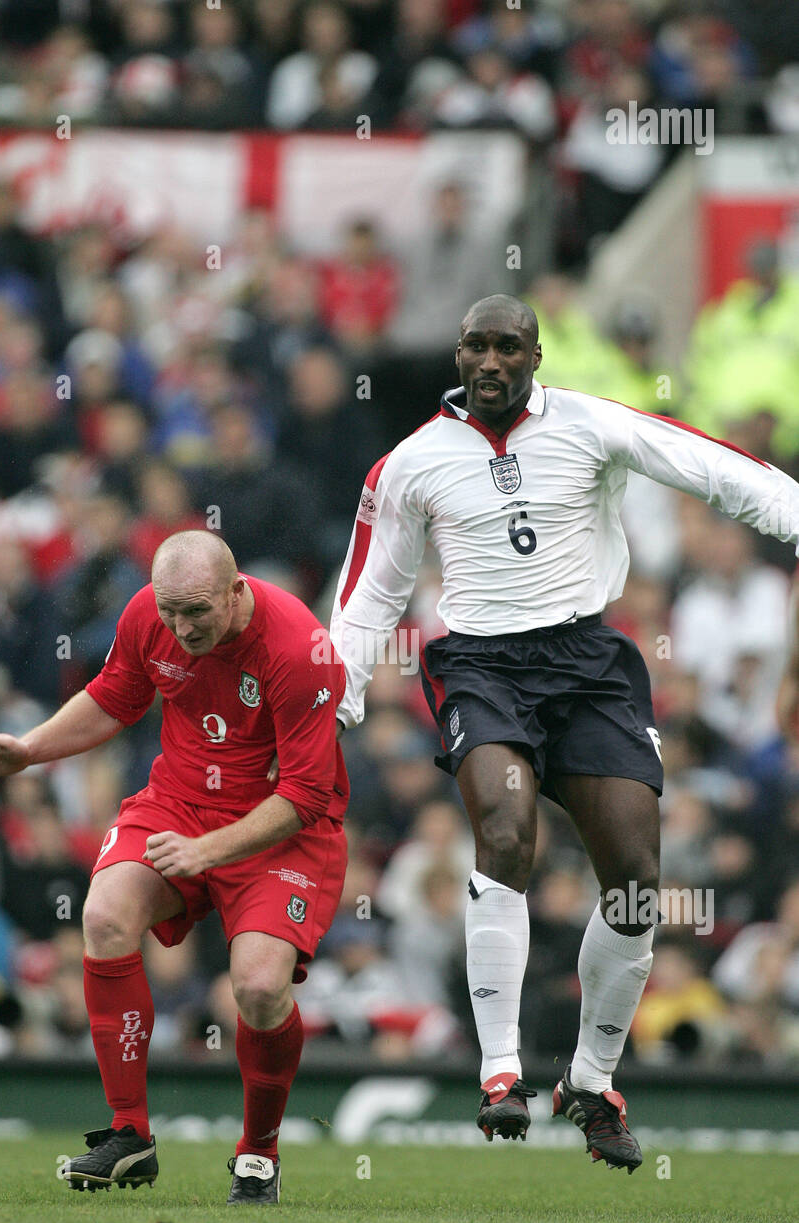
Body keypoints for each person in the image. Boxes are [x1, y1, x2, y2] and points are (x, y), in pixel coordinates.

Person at [330, 292, 799, 1173]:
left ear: (536, 357)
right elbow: (370, 595)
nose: (492, 362)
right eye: (476, 345)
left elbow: (705, 464)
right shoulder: (410, 465)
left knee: (633, 881)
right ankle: (500, 1071)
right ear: (458, 356)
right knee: (504, 833)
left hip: (586, 662)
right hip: (478, 665)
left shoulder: (588, 424)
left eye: (509, 347)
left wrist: (791, 513)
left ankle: (590, 1081)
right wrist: (339, 699)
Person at [0, 530, 349, 1204]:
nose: (180, 627)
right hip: (179, 803)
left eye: (197, 611)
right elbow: (116, 695)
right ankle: (129, 1134)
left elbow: (306, 796)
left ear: (236, 591)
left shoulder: (299, 648)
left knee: (255, 989)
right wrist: (31, 748)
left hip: (280, 832)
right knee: (104, 916)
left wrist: (209, 853)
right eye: (169, 612)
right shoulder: (147, 614)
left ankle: (258, 1153)